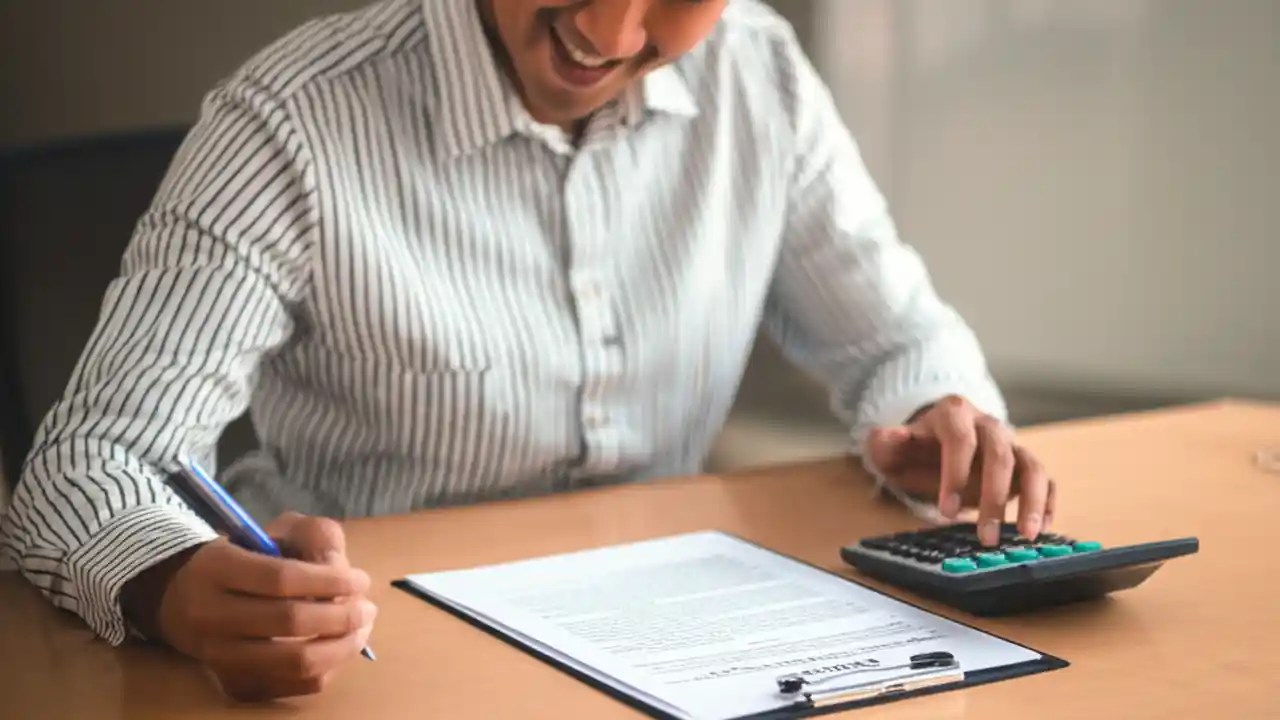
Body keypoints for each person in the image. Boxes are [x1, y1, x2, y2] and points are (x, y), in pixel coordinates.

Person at [1, 0, 1055, 702]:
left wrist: (934, 410)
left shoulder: (759, 76)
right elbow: (84, 465)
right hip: (379, 667)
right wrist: (172, 577)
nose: (604, 26)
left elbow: (899, 335)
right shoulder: (293, 121)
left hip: (680, 653)